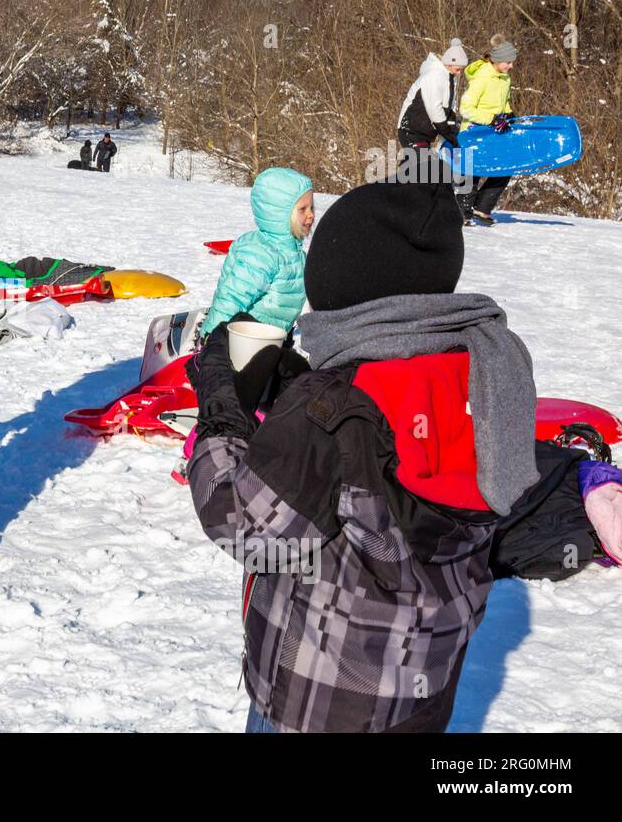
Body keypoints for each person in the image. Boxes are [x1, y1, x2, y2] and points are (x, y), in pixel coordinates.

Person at [187, 179, 541, 732]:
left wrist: (220, 412)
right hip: (422, 691)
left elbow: (241, 521)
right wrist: (301, 393)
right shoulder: (486, 368)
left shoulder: (336, 406)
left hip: (318, 701)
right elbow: (387, 449)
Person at [199, 167, 313, 341]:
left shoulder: (295, 254)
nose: (311, 215)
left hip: (268, 345)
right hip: (240, 345)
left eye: (311, 207)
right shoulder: (260, 253)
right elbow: (231, 298)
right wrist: (211, 338)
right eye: (303, 209)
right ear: (279, 214)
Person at [459, 33, 518, 226]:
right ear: (497, 60)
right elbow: (465, 108)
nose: (511, 66)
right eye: (508, 62)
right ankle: (462, 213)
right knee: (473, 170)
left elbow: (504, 102)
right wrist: (491, 119)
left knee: (505, 166)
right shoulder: (482, 77)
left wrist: (509, 115)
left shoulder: (504, 77)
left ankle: (482, 208)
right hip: (474, 130)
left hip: (494, 130)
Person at [397, 38, 466, 154]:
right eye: (458, 69)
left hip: (425, 133)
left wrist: (453, 126)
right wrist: (446, 132)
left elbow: (449, 107)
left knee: (424, 167)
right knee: (426, 168)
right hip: (411, 130)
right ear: (450, 63)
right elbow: (434, 108)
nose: (459, 73)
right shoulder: (433, 76)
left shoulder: (450, 78)